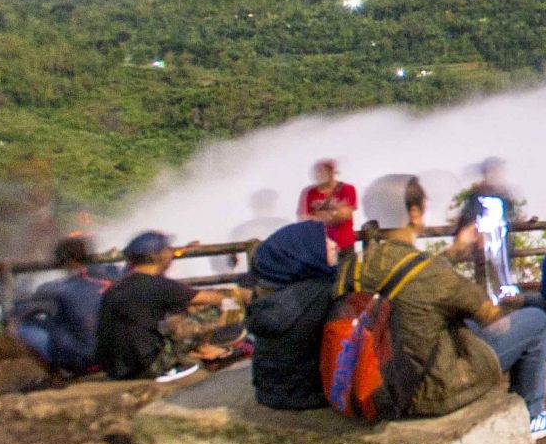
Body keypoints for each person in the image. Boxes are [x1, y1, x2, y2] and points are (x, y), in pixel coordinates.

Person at [345, 175, 546, 438]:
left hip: (372, 385)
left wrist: (455, 251)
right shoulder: (432, 275)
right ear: (414, 213)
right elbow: (494, 319)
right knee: (535, 321)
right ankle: (532, 416)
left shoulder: (355, 265)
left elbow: (412, 277)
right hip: (424, 393)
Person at [96, 232, 244, 382]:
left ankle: (202, 351)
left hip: (114, 369)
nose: (171, 254)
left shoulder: (117, 286)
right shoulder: (159, 285)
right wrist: (235, 298)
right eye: (168, 249)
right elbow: (212, 299)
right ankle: (206, 350)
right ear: (157, 256)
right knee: (213, 310)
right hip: (147, 367)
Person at [246, 220, 338, 410]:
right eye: (325, 240)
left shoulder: (269, 296)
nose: (333, 244)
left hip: (267, 391)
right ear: (305, 253)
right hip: (309, 395)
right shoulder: (324, 292)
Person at [9, 235, 112, 379]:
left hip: (80, 360)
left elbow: (22, 312)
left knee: (22, 328)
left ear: (66, 261)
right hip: (113, 357)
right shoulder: (113, 277)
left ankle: (57, 377)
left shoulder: (54, 289)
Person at [297, 159, 358, 255]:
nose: (319, 175)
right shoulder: (308, 192)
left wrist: (316, 216)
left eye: (323, 171)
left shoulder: (347, 189)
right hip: (317, 246)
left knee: (346, 269)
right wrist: (333, 214)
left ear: (332, 172)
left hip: (344, 245)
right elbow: (302, 219)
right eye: (317, 172)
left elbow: (344, 215)